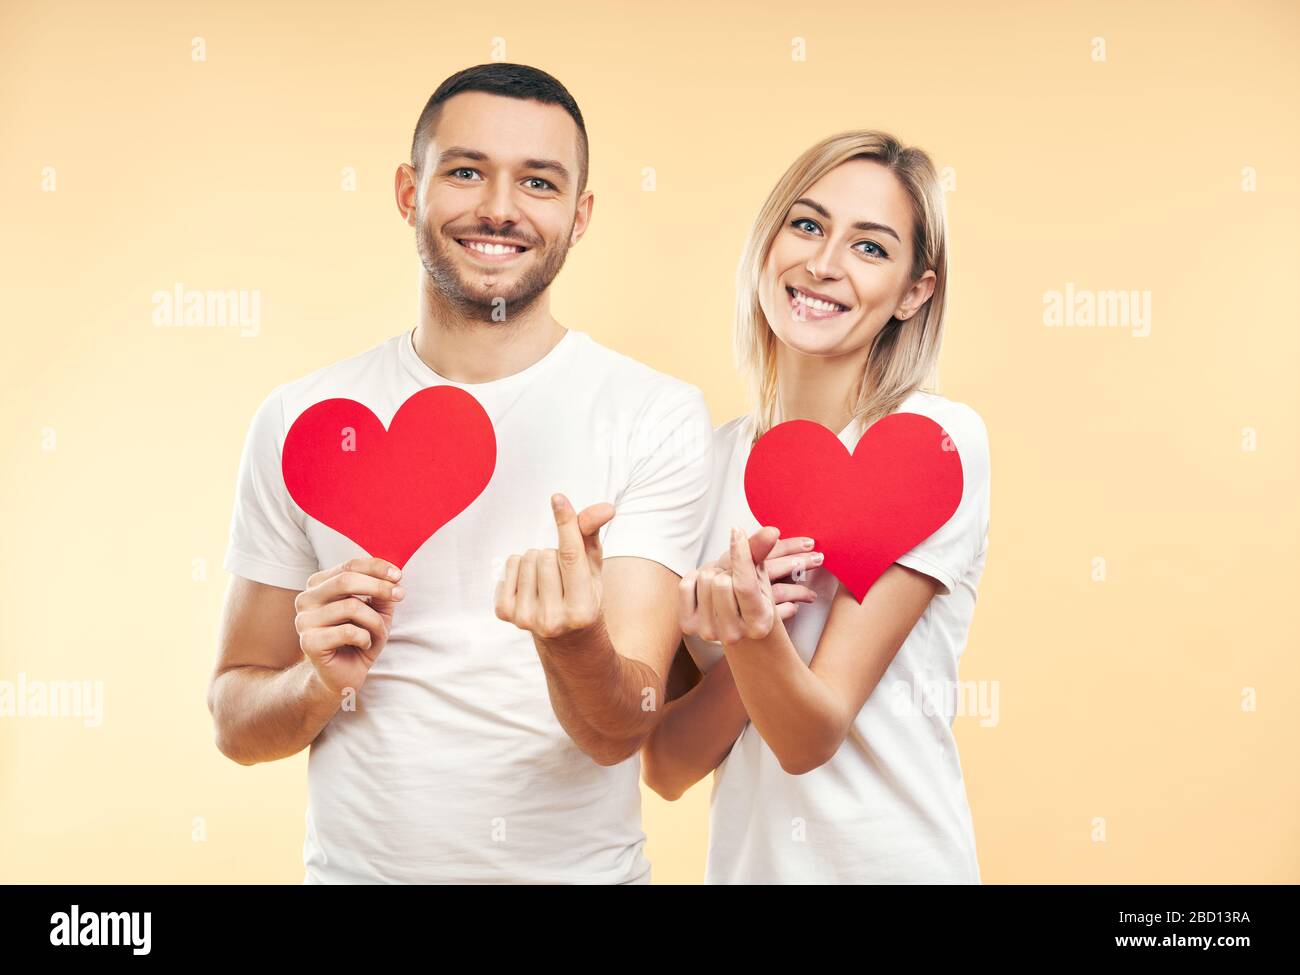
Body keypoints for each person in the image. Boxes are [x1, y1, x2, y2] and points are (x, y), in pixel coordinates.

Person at [208, 62, 714, 884]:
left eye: (539, 182)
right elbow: (234, 721)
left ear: (580, 216)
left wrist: (577, 643)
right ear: (410, 191)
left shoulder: (653, 414)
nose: (500, 209)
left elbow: (626, 728)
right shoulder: (303, 420)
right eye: (467, 171)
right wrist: (315, 683)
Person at [641, 130, 990, 884]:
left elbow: (811, 735)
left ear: (913, 292)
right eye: (807, 225)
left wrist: (758, 633)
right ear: (768, 242)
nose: (825, 263)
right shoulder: (699, 466)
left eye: (871, 248)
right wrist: (748, 636)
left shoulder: (931, 446)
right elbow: (667, 766)